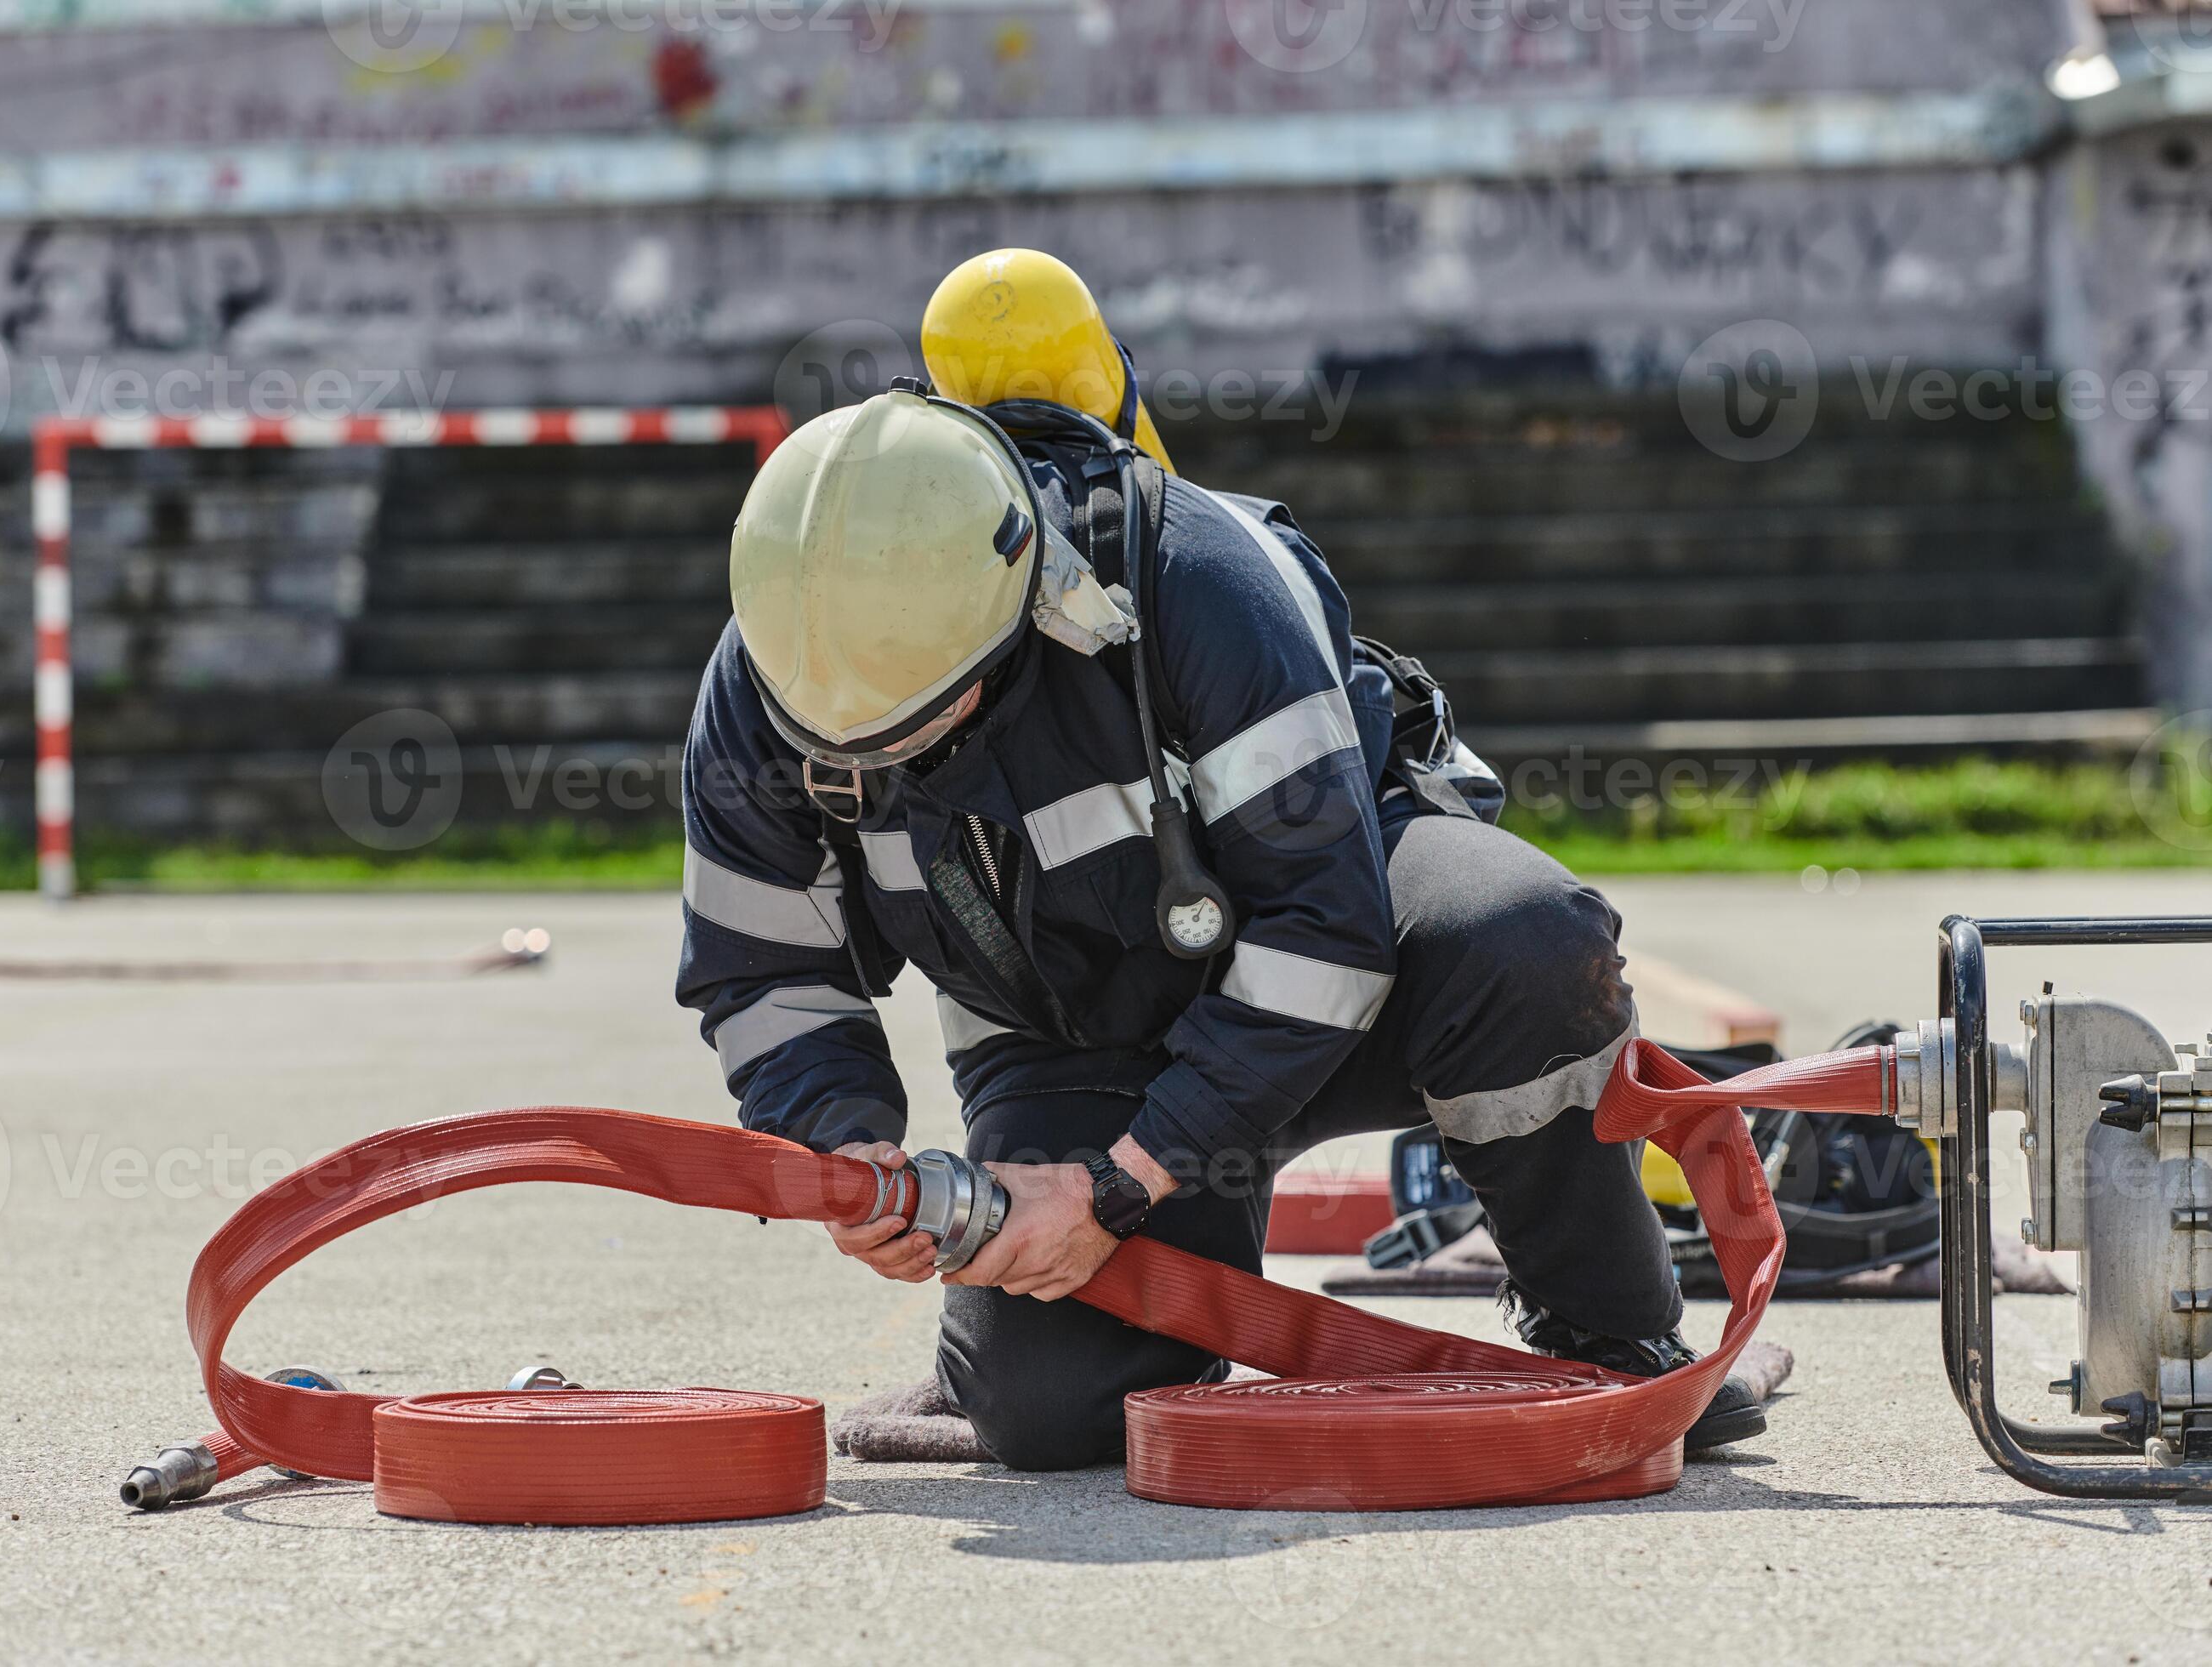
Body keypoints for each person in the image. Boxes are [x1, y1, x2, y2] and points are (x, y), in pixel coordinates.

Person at [674, 367, 1765, 1470]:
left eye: (918, 729)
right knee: (1048, 1415)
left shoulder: (1195, 581)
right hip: (1080, 1039)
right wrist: (841, 1150)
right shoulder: (781, 671)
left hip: (1346, 977)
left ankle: (1608, 1334)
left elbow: (1323, 935)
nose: (881, 761)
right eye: (849, 747)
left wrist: (1115, 1185)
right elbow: (759, 972)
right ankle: (1081, 1360)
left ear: (1014, 617)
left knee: (1525, 947)